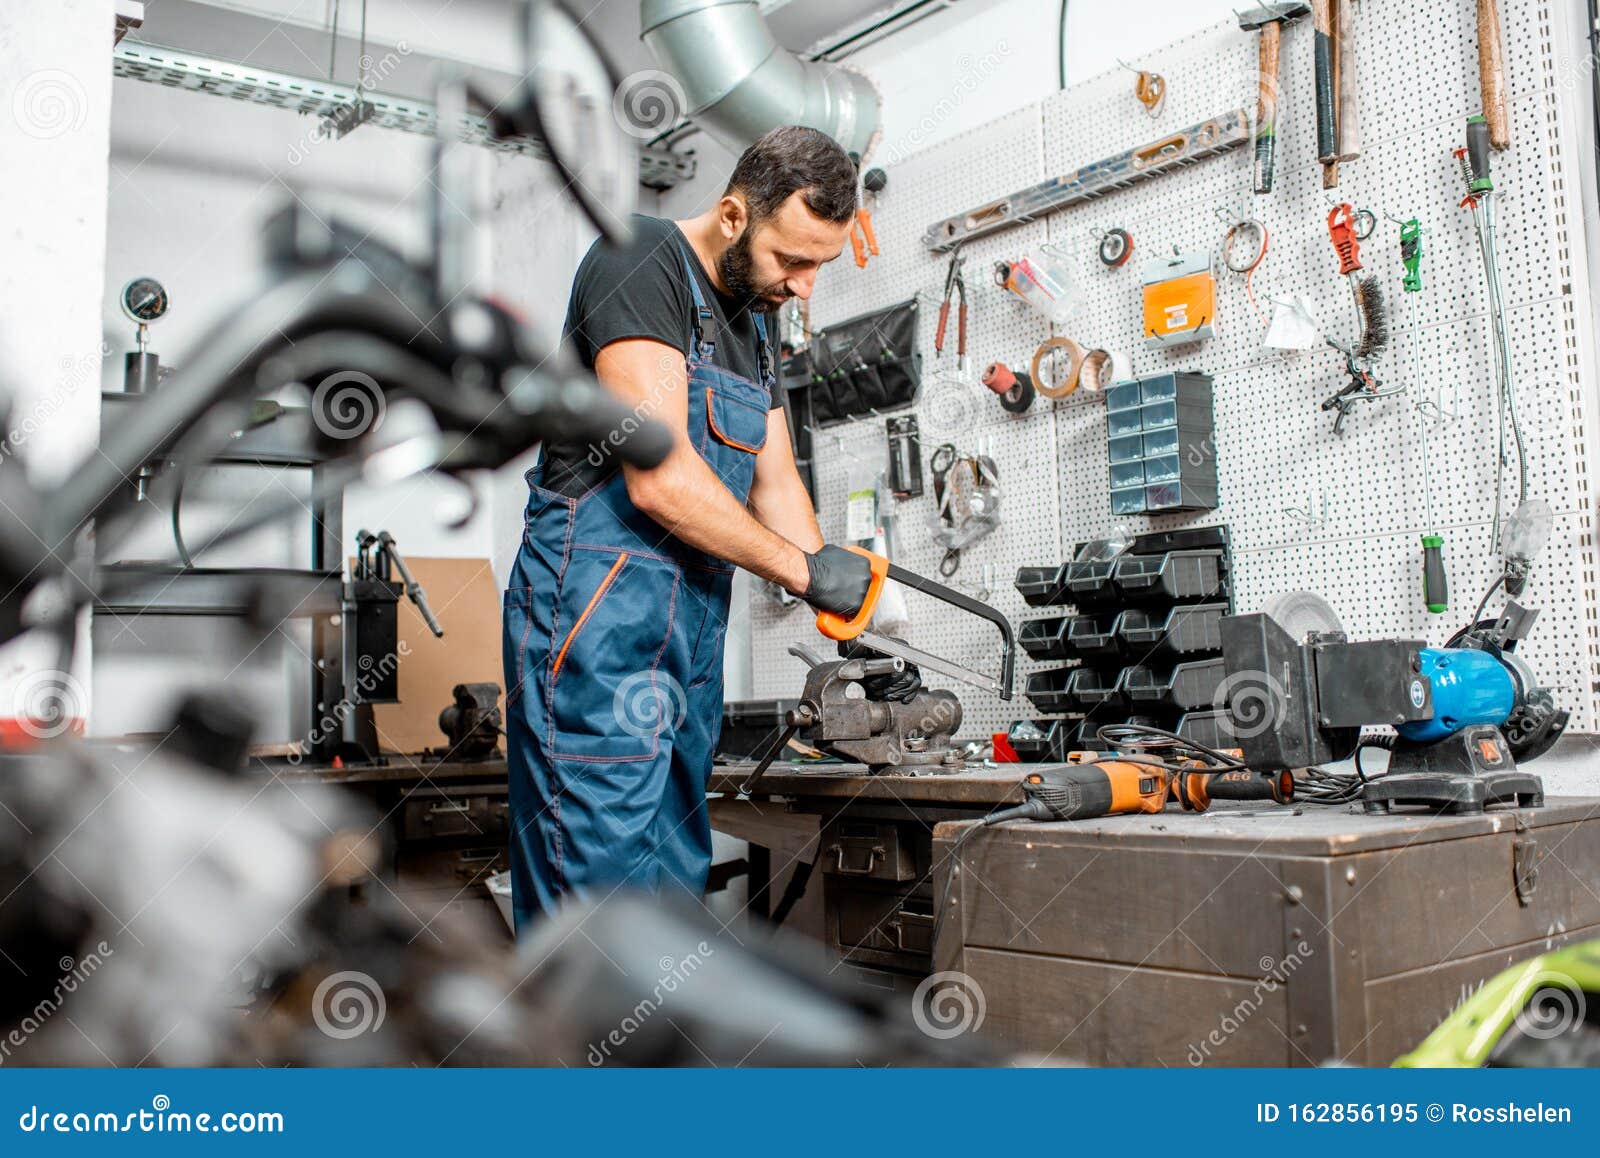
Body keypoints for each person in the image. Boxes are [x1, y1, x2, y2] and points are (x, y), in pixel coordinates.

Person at [502, 125, 879, 930]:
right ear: (736, 216)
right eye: (794, 260)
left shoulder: (753, 320)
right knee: (596, 887)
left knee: (673, 881)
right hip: (596, 621)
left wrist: (837, 589)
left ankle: (656, 1049)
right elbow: (663, 479)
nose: (806, 286)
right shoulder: (638, 258)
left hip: (688, 636)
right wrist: (801, 572)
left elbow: (775, 478)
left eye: (821, 265)